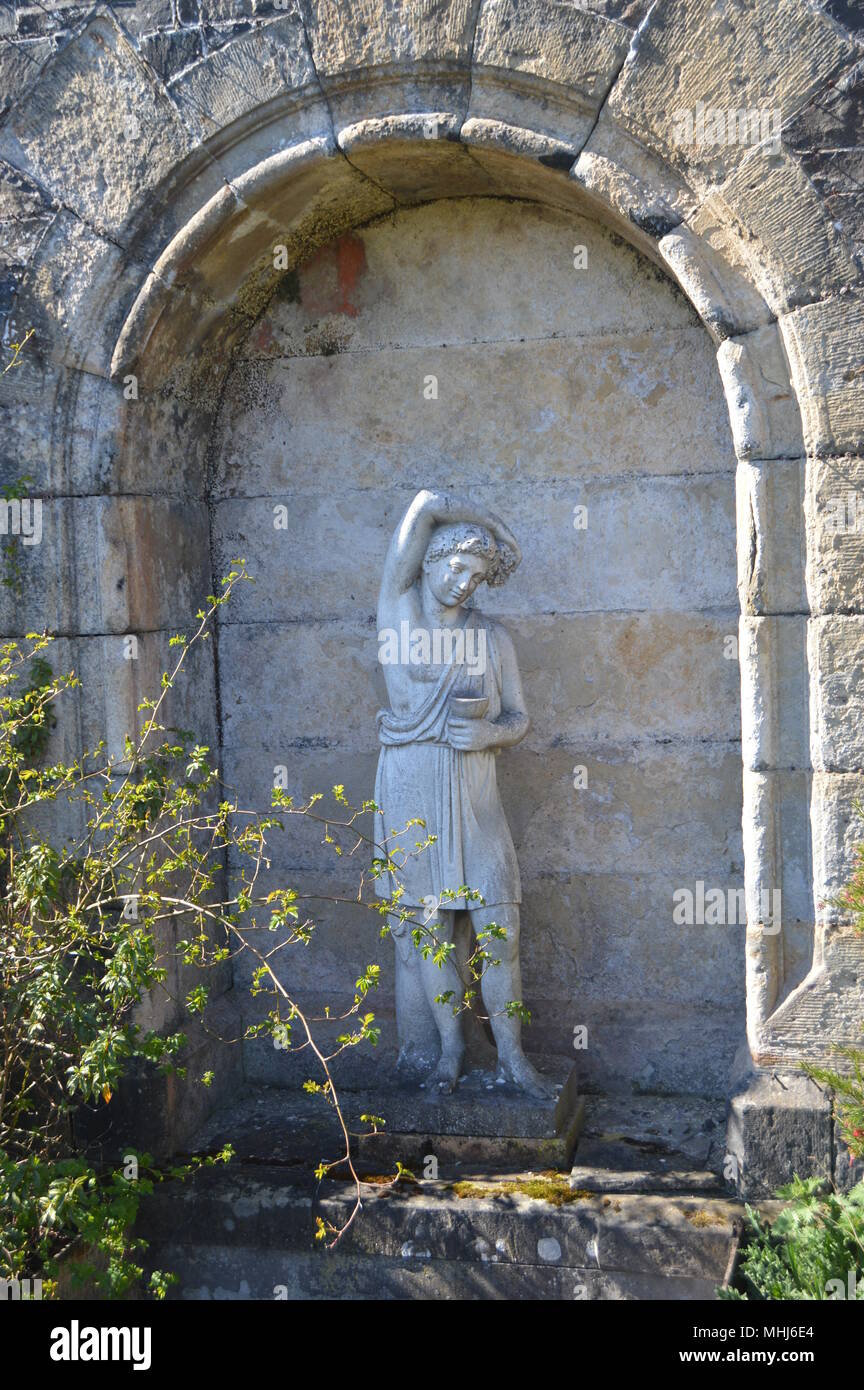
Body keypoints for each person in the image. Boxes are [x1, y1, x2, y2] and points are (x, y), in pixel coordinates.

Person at [374, 488, 555, 1097]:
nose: (463, 583)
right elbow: (423, 506)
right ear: (427, 561)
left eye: (477, 575)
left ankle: (513, 1058)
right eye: (454, 566)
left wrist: (486, 732)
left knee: (498, 928)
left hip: (476, 795)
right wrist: (488, 519)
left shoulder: (492, 638)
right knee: (432, 929)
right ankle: (449, 1051)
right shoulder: (398, 613)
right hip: (411, 787)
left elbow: (520, 718)